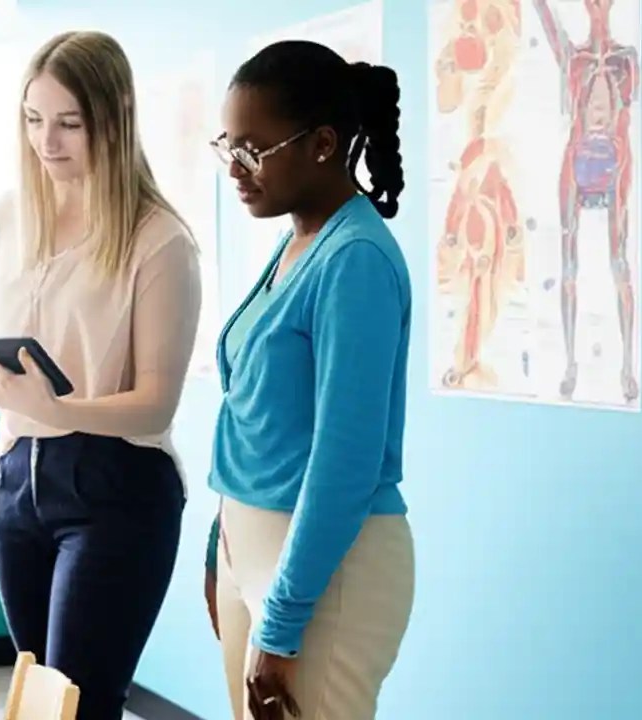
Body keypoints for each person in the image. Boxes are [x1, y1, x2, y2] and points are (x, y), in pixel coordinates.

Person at [0, 30, 201, 720]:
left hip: (117, 486)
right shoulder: (12, 215)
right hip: (15, 480)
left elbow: (156, 405)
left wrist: (60, 407)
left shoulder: (159, 238)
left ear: (117, 114)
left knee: (80, 704)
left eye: (70, 123)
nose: (49, 141)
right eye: (34, 119)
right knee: (36, 703)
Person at [207, 40, 415, 719]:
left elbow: (344, 461)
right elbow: (254, 414)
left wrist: (281, 622)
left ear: (323, 143)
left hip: (328, 576)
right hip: (255, 556)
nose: (236, 169)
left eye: (253, 150)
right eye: (228, 147)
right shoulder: (299, 241)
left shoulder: (354, 259)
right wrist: (223, 549)